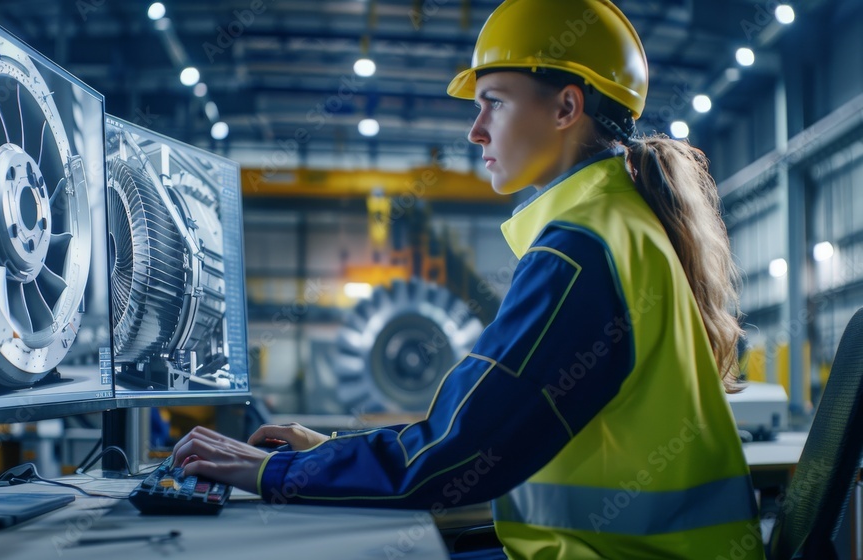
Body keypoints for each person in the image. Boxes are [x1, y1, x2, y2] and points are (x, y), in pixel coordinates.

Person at [172, 0, 765, 558]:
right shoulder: (622, 225)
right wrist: (329, 452)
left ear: (565, 108)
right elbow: (473, 431)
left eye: (495, 102)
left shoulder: (582, 248)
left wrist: (272, 471)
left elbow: (460, 454)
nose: (475, 130)